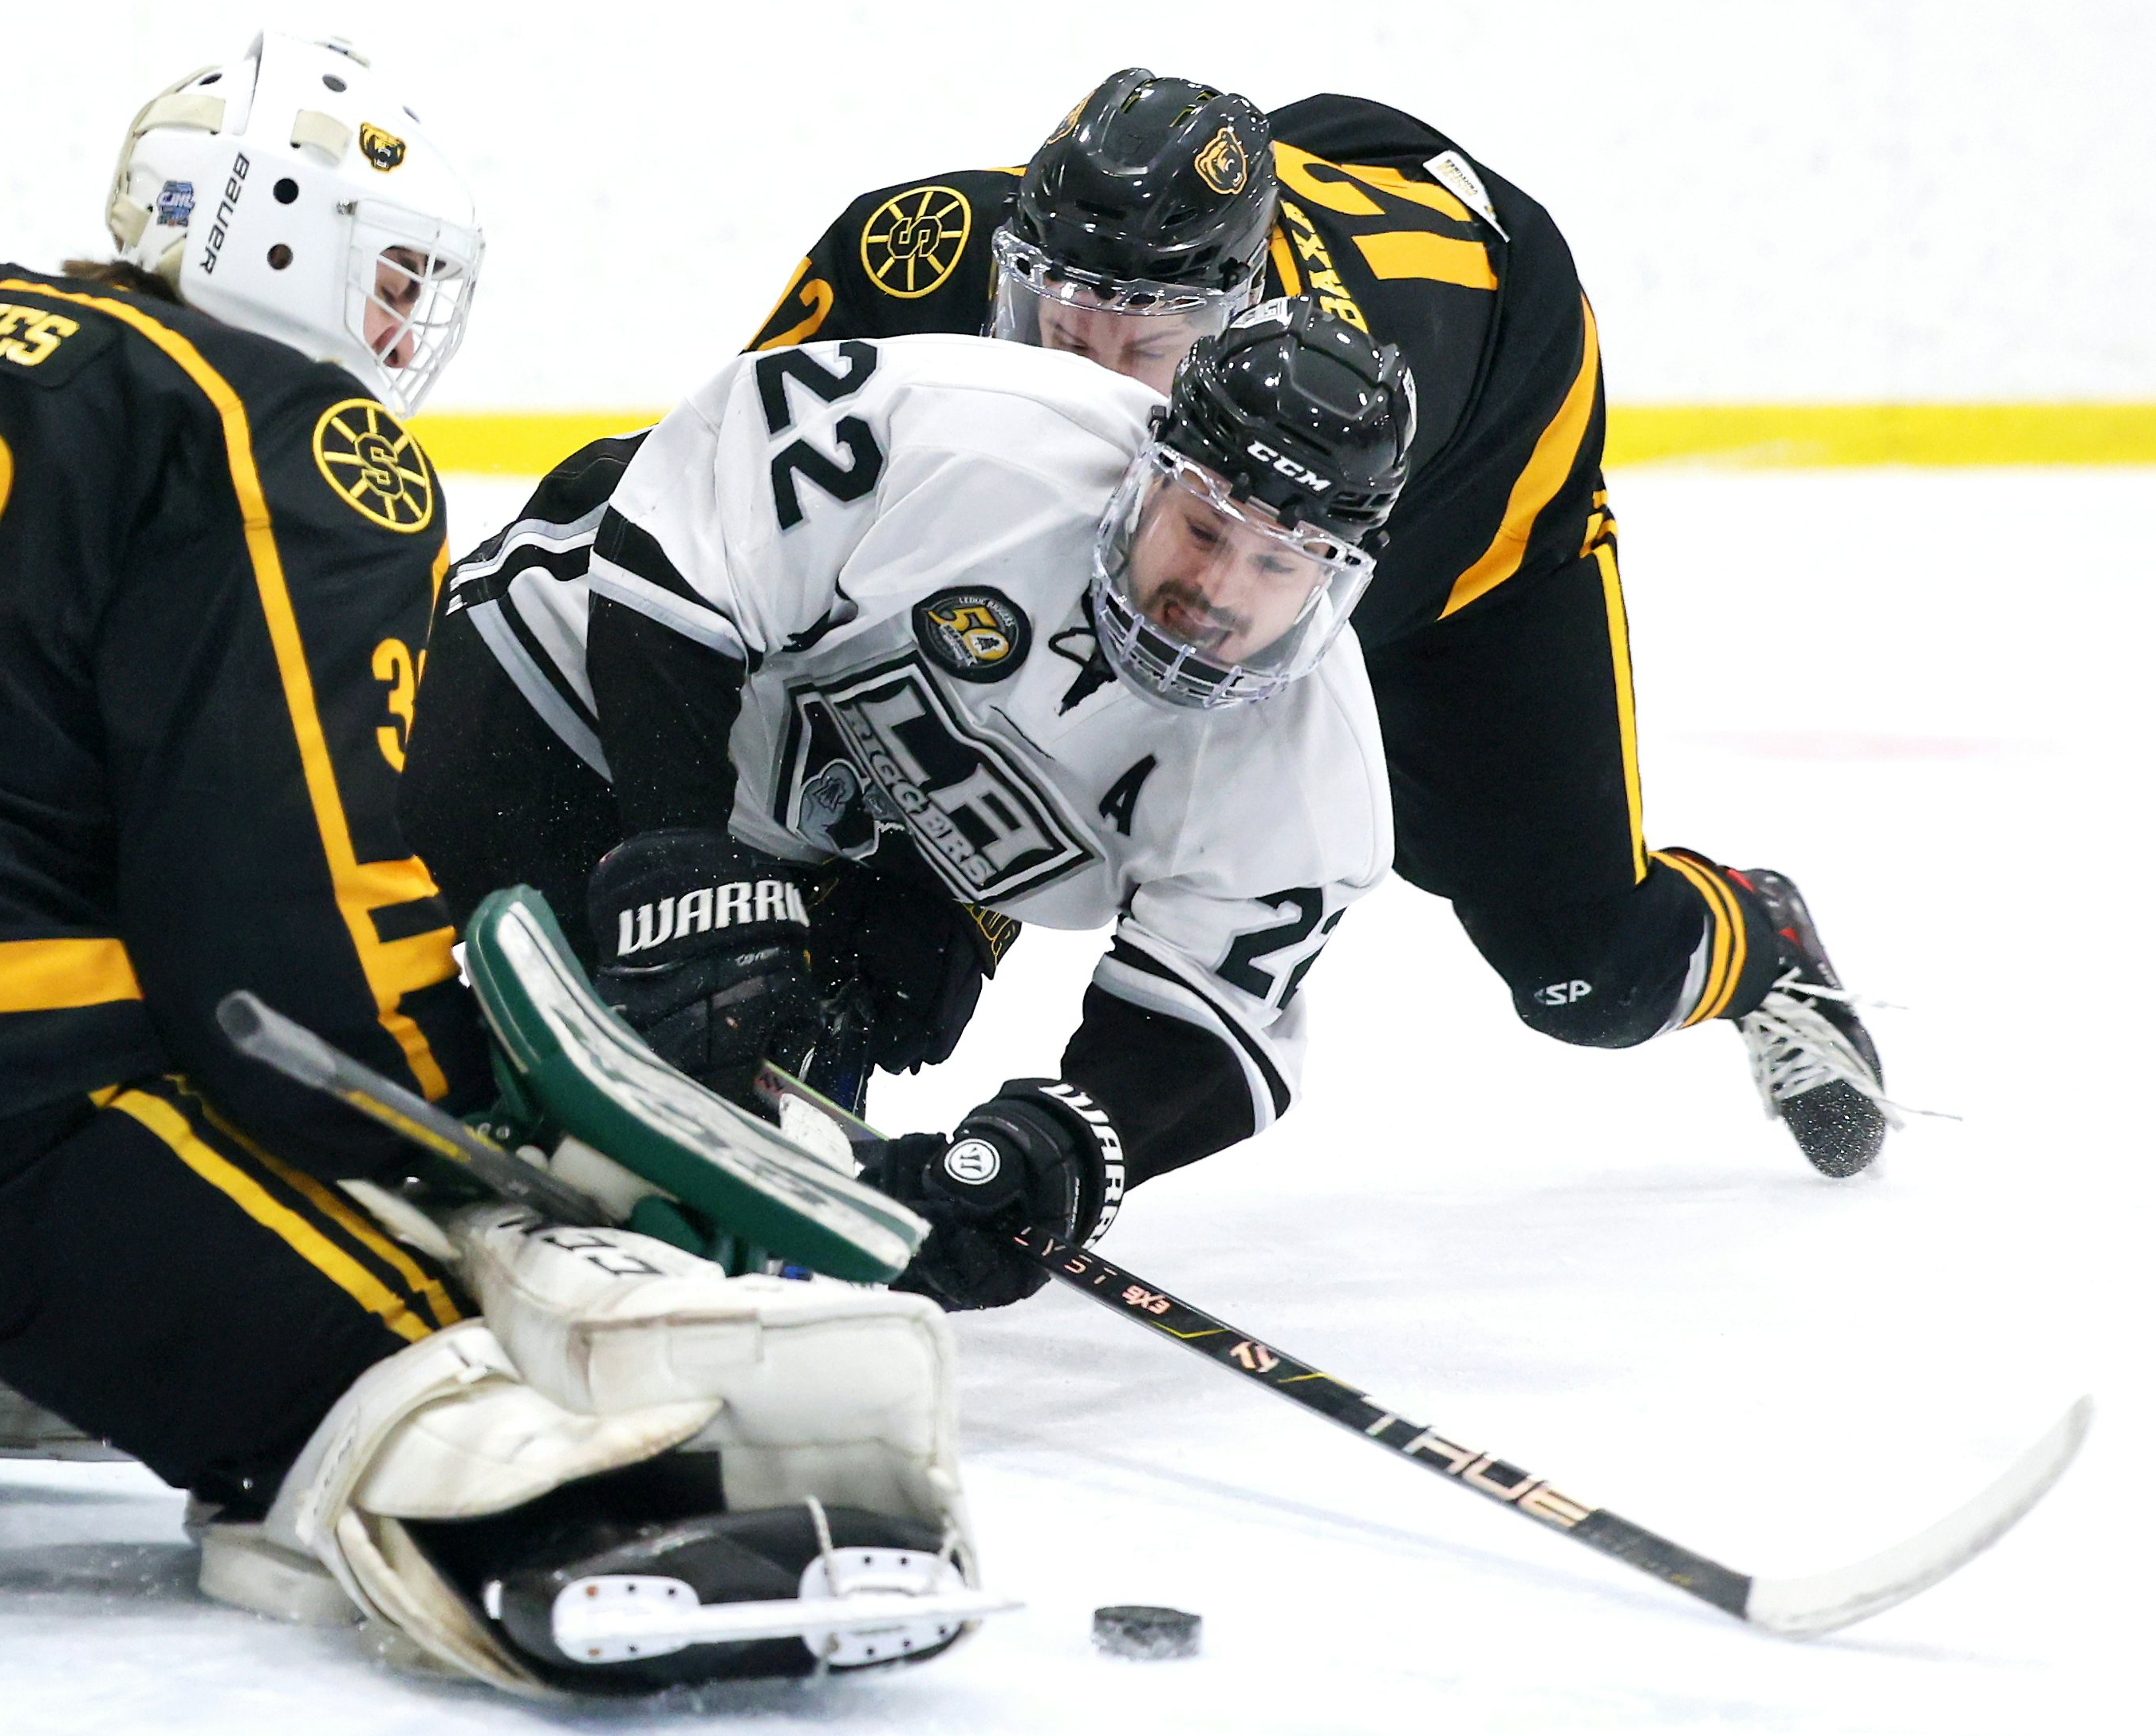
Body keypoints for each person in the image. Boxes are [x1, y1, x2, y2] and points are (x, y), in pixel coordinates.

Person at [0, 29, 990, 1698]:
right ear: (274, 231)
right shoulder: (285, 425)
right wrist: (478, 1121)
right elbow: (275, 950)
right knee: (439, 1344)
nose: (396, 332)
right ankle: (550, 1514)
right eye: (385, 277)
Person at [743, 70, 1892, 1178]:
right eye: (1059, 322)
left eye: (1147, 346)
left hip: (1475, 474)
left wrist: (938, 905)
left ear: (1240, 308)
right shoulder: (920, 255)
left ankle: (1757, 942)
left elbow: (1120, 722)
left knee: (1581, 972)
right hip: (1336, 231)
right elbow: (718, 529)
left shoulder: (1323, 414)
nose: (1087, 379)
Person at [406, 299, 1418, 1311]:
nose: (1214, 587)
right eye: (1202, 527)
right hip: (565, 689)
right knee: (390, 990)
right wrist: (682, 864)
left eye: (1278, 564)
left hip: (813, 849)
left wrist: (1063, 1146)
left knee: (706, 1180)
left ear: (1336, 581)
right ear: (1148, 471)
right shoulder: (961, 433)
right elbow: (673, 547)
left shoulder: (1310, 777)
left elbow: (1206, 1027)